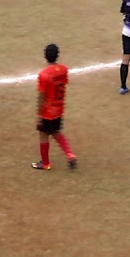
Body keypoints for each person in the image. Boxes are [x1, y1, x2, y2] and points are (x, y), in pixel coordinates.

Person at [32, 43, 76, 171]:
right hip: (59, 108)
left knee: (43, 134)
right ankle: (70, 154)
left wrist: (39, 115)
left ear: (45, 56)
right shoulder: (63, 70)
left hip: (48, 111)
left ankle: (45, 163)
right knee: (56, 132)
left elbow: (41, 96)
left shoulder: (43, 75)